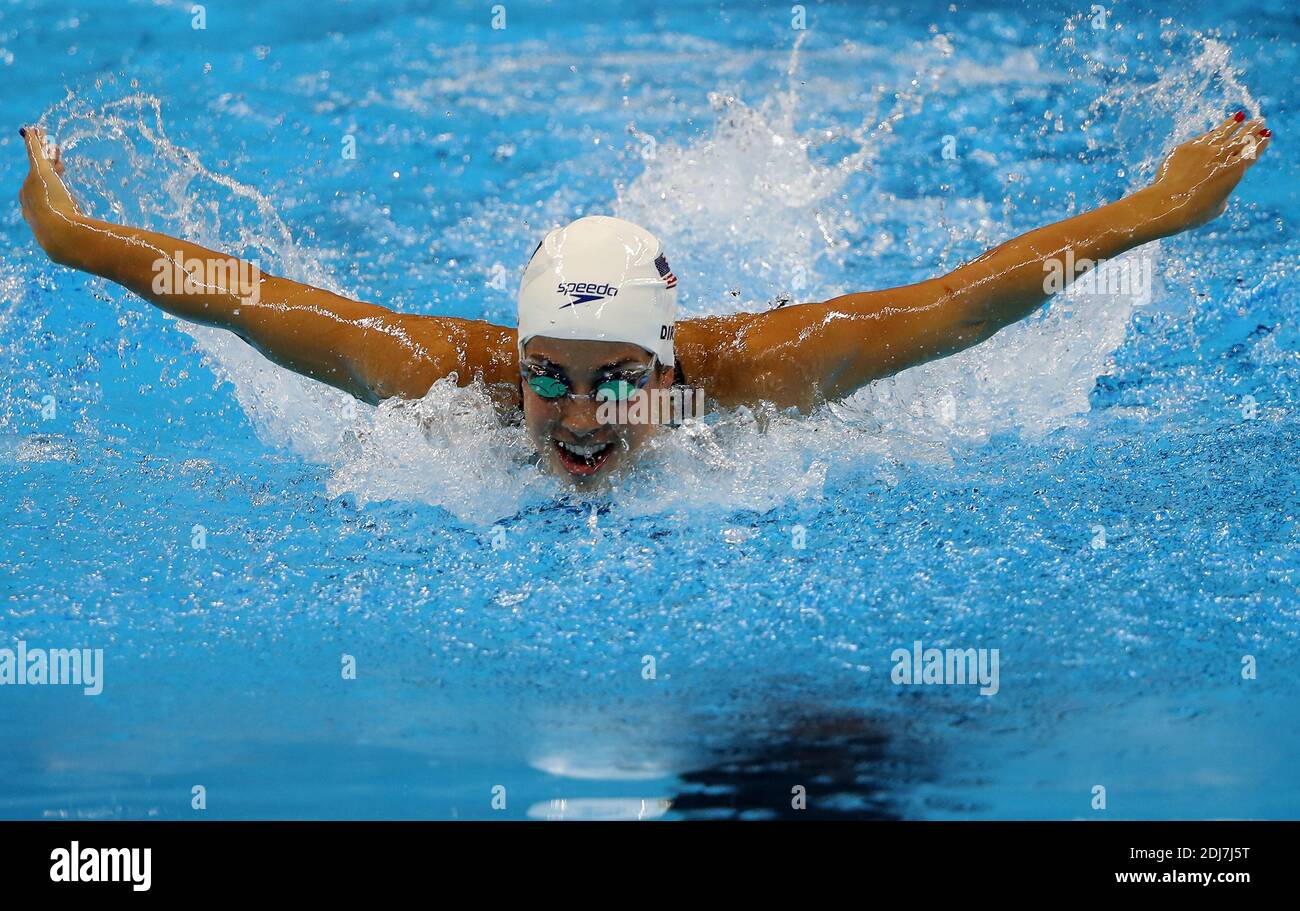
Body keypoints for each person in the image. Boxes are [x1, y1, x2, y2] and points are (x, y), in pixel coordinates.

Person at [18, 113, 1271, 485]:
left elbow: (963, 301)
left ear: (668, 371)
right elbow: (238, 299)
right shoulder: (439, 376)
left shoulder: (775, 368)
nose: (573, 417)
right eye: (548, 373)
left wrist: (1154, 212)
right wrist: (72, 239)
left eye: (617, 378)